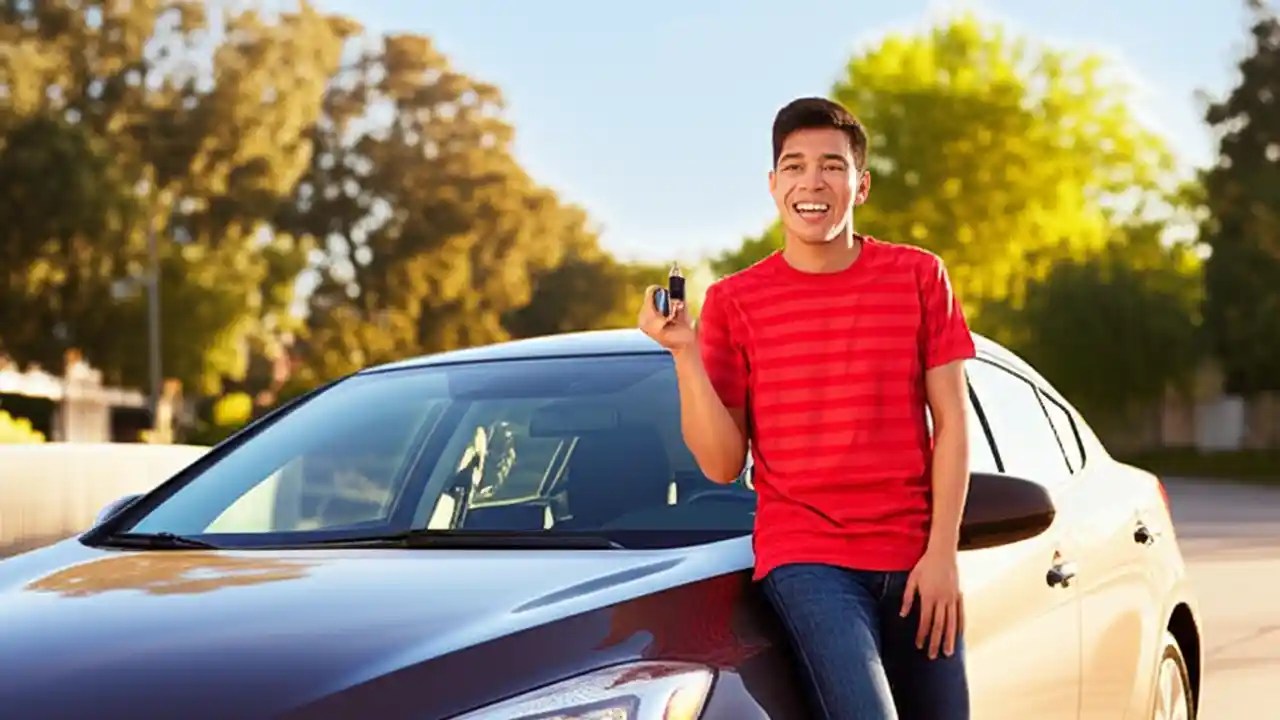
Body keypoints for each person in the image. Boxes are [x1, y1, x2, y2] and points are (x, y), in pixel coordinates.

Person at [637, 96, 976, 720]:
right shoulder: (737, 302)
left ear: (861, 184)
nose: (811, 182)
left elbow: (952, 424)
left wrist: (942, 555)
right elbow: (719, 464)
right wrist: (683, 353)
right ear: (772, 186)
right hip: (809, 559)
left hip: (914, 555)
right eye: (793, 167)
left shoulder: (919, 277)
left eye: (832, 166)